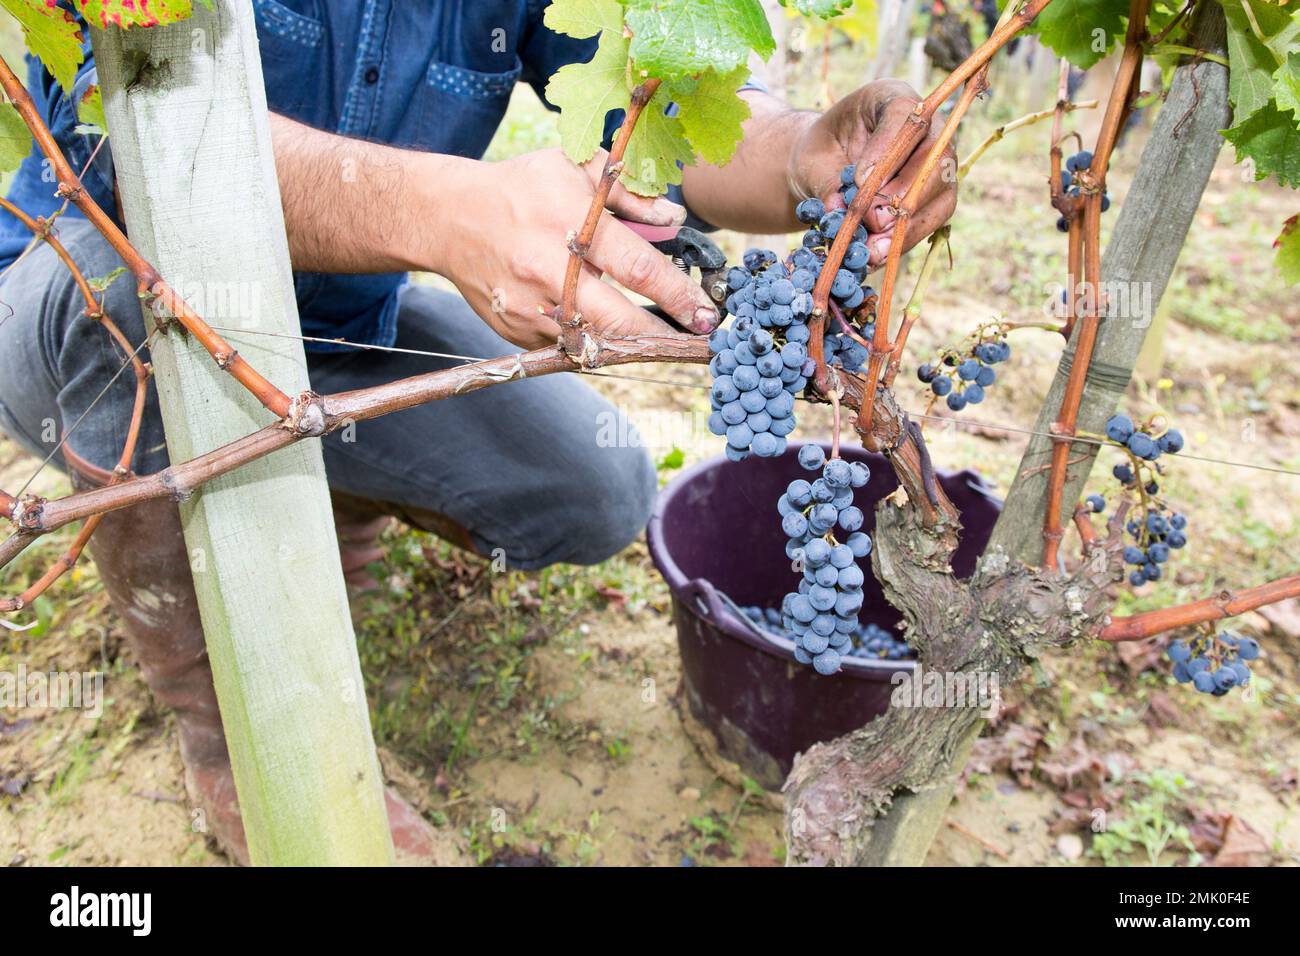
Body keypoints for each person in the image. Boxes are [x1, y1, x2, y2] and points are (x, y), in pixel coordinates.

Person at [0, 1, 957, 863]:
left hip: (334, 328)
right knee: (127, 319)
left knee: (591, 489)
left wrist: (801, 150)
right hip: (92, 289)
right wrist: (435, 210)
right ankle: (224, 733)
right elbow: (144, 160)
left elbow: (661, 108)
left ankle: (321, 486)